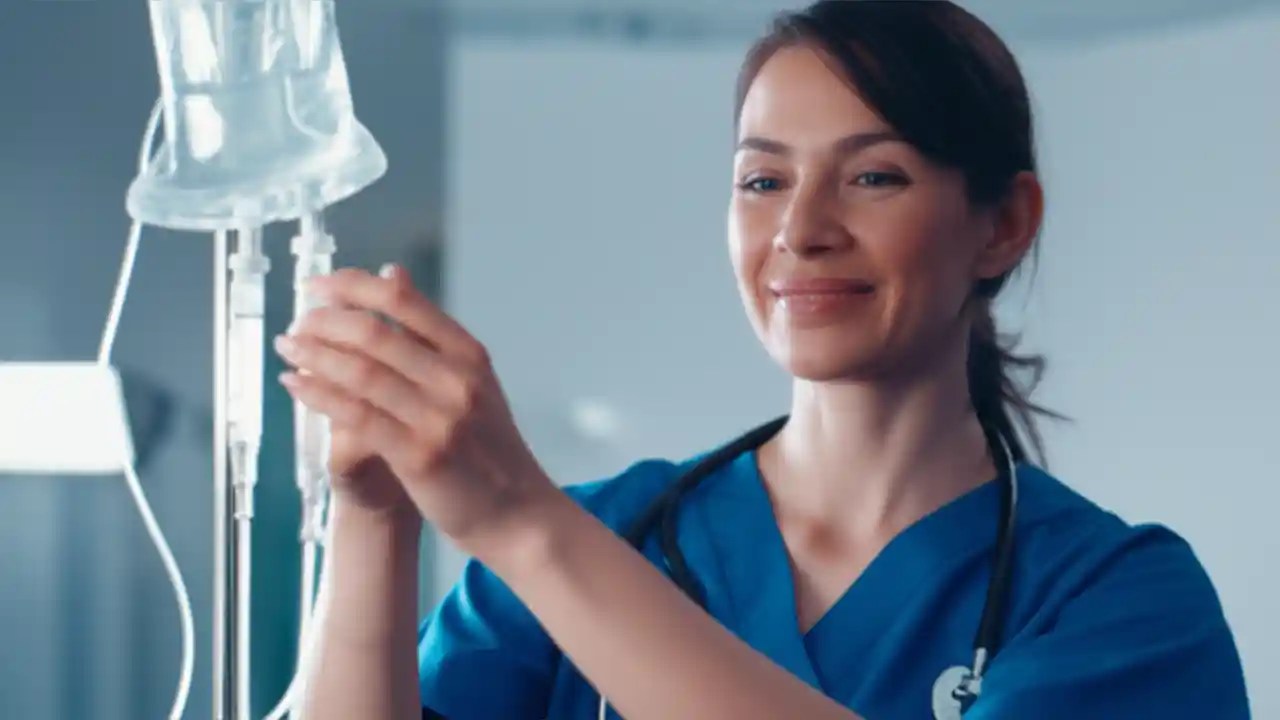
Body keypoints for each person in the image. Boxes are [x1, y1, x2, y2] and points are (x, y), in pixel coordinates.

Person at [278, 2, 1250, 718]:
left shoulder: (1121, 605)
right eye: (760, 179)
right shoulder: (604, 536)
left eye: (872, 176)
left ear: (1001, 225)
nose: (799, 229)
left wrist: (520, 523)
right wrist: (375, 516)